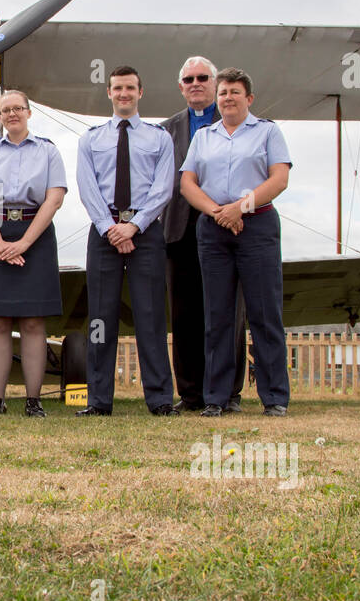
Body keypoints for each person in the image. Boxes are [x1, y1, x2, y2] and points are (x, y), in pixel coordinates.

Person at [180, 68, 292, 417]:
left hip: (256, 225)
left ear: (249, 98)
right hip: (214, 229)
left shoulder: (268, 131)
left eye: (235, 92)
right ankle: (216, 397)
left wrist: (240, 207)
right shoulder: (204, 137)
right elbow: (188, 182)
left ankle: (274, 397)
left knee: (264, 313)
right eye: (224, 92)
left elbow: (280, 177)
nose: (228, 98)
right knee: (217, 315)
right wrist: (218, 212)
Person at [75, 66, 175, 416]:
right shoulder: (90, 139)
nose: (123, 94)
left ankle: (161, 399)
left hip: (145, 232)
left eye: (130, 88)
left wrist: (134, 227)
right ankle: (98, 401)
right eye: (117, 88)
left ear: (140, 92)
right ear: (109, 93)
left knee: (150, 316)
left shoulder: (159, 138)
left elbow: (163, 189)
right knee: (101, 320)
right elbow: (87, 188)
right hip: (103, 234)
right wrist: (110, 228)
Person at [0, 89, 66, 418]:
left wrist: (23, 244)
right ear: (0, 115)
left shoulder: (48, 151)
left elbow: (54, 199)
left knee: (34, 322)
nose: (12, 114)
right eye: (6, 110)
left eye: (18, 108)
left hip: (34, 233)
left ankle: (33, 401)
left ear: (28, 112)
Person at [162, 55, 247, 412]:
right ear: (180, 86)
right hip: (179, 231)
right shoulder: (166, 130)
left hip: (226, 226)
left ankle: (228, 392)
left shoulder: (235, 122)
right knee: (183, 316)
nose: (195, 83)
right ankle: (192, 393)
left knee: (227, 312)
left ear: (214, 83)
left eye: (202, 78)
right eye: (188, 79)